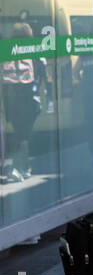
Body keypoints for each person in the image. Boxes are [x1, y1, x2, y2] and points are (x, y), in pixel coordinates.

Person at [2, 21, 48, 183]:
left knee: (19, 134)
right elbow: (44, 72)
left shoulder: (8, 49)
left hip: (12, 100)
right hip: (31, 98)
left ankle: (20, 167)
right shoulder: (35, 51)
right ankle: (22, 168)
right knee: (24, 134)